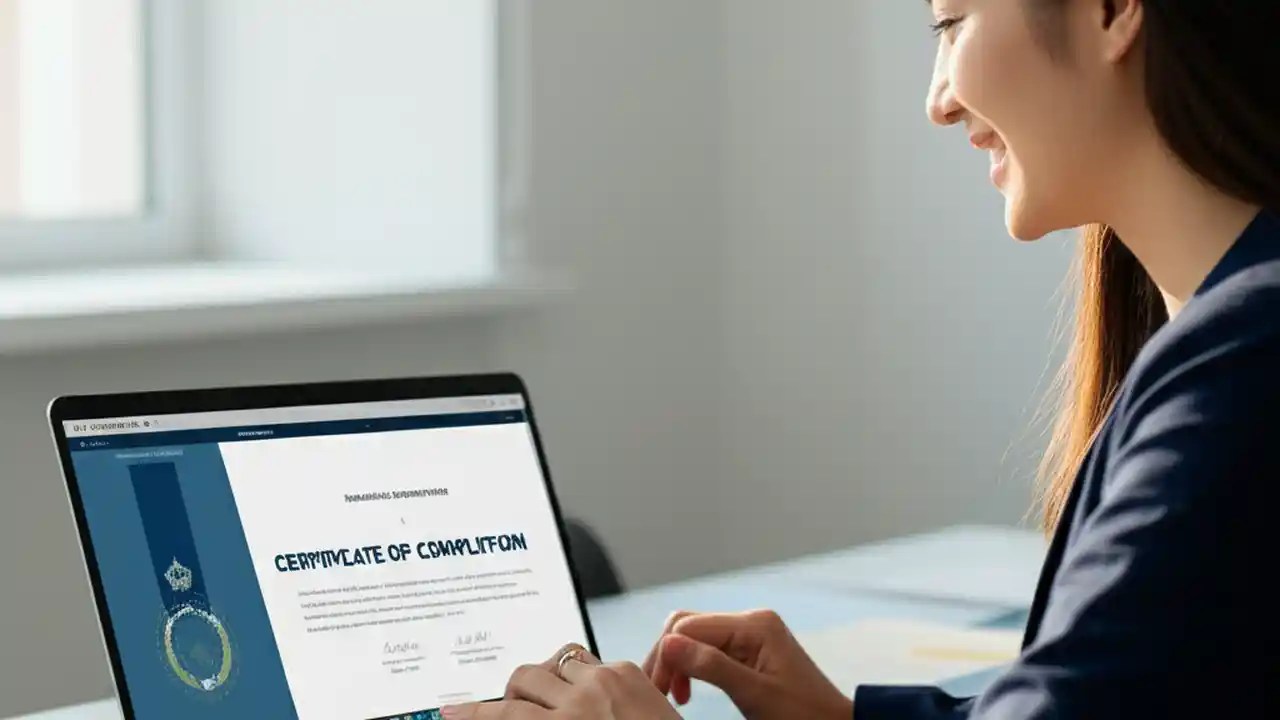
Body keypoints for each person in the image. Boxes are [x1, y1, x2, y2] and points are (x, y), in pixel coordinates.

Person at [442, 0, 1279, 717]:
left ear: (1111, 10)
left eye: (953, 23)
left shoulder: (1244, 368)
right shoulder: (1228, 342)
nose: (938, 100)